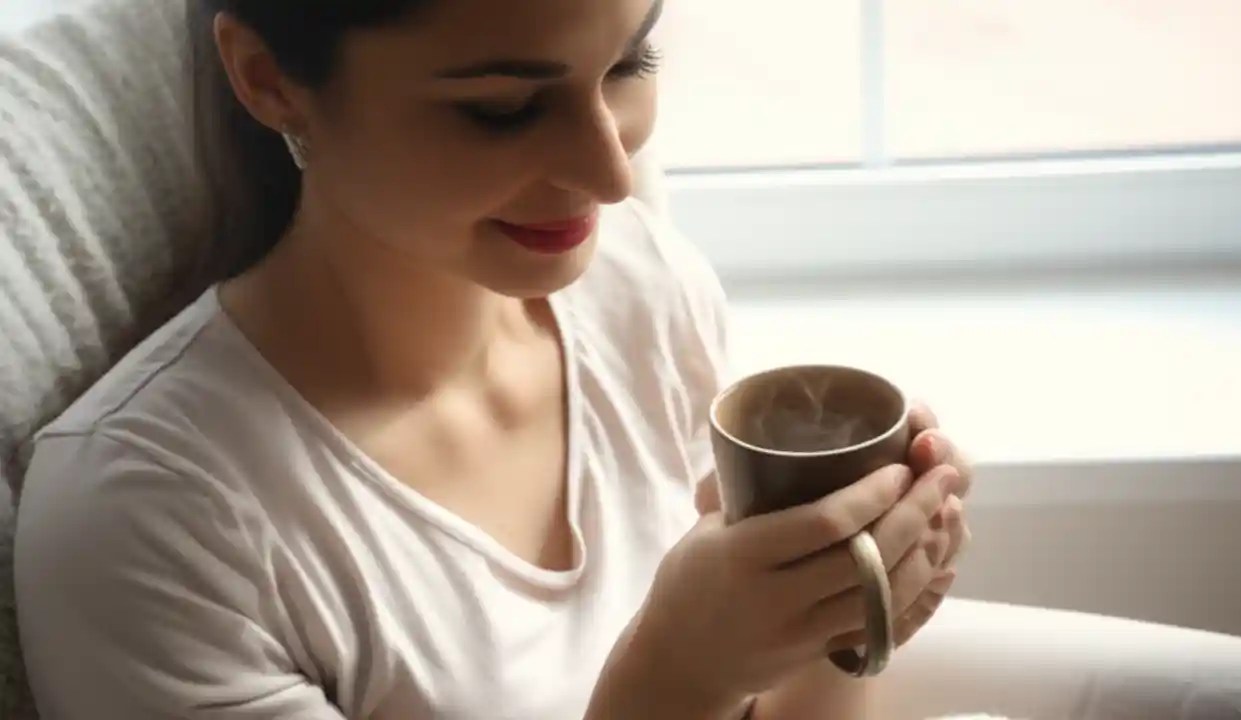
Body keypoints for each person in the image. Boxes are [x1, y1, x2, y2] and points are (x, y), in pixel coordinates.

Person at [14, 0, 973, 718]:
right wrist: (674, 684)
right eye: (505, 108)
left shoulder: (644, 290)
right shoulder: (150, 523)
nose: (609, 172)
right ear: (266, 79)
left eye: (628, 60)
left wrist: (839, 621)